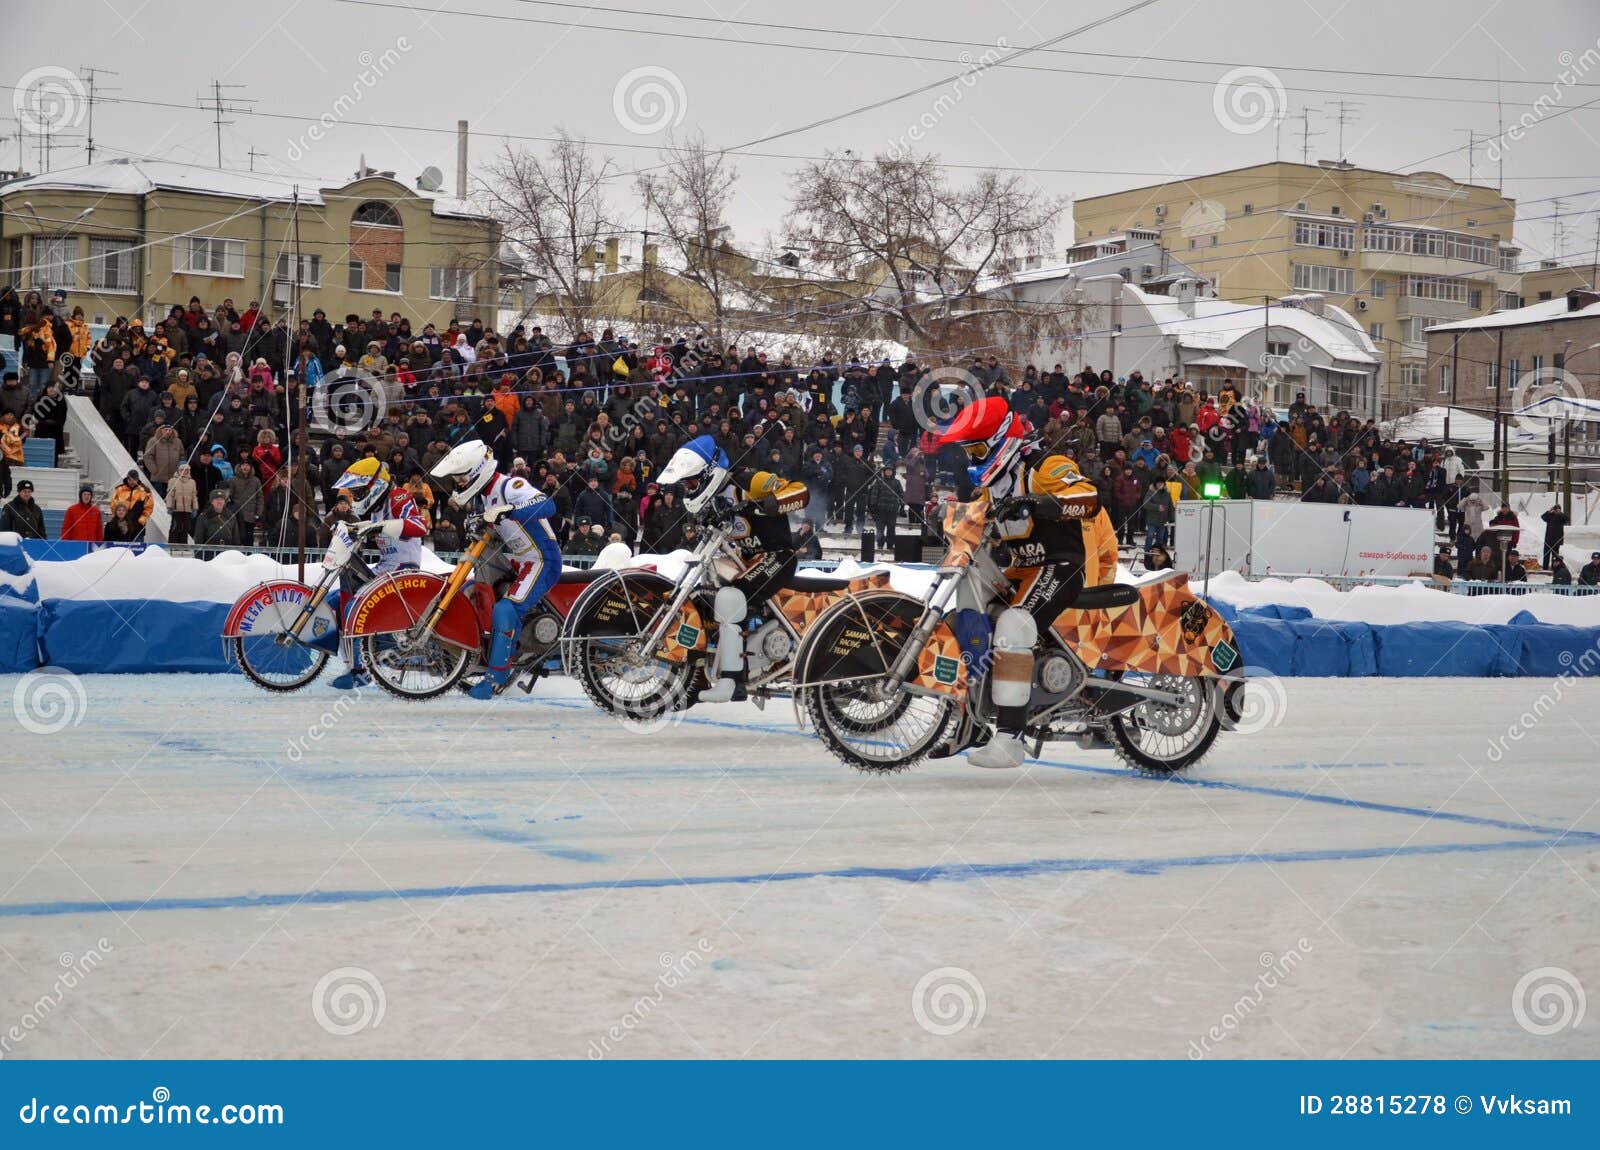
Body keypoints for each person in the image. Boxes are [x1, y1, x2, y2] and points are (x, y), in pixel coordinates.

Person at [936, 396, 1113, 769]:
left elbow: (1088, 496)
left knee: (1013, 626)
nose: (974, 458)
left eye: (980, 448)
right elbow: (980, 519)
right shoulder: (992, 487)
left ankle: (1011, 740)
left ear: (1004, 439)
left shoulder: (1044, 466)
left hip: (1061, 565)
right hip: (1022, 569)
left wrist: (1038, 503)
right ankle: (973, 722)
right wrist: (947, 510)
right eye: (969, 451)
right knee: (967, 619)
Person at [655, 433, 809, 703]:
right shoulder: (710, 500)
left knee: (730, 597)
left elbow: (800, 491)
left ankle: (733, 682)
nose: (689, 488)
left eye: (692, 482)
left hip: (777, 556)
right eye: (686, 484)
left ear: (709, 473)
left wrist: (772, 503)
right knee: (703, 599)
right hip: (745, 561)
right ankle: (697, 679)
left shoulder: (749, 481)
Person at [430, 440, 562, 699]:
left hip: (541, 560)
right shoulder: (485, 497)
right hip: (518, 560)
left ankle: (495, 679)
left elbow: (548, 505)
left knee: (506, 608)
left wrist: (509, 510)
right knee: (473, 591)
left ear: (477, 471)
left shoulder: (510, 485)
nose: (459, 484)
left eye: (461, 477)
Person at [322, 458, 429, 689]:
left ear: (375, 485)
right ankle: (353, 665)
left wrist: (380, 526)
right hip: (385, 568)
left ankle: (361, 670)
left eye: (359, 491)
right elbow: (368, 531)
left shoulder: (398, 497)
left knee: (354, 606)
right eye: (354, 492)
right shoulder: (377, 507)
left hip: (404, 569)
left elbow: (420, 526)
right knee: (335, 601)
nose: (356, 496)